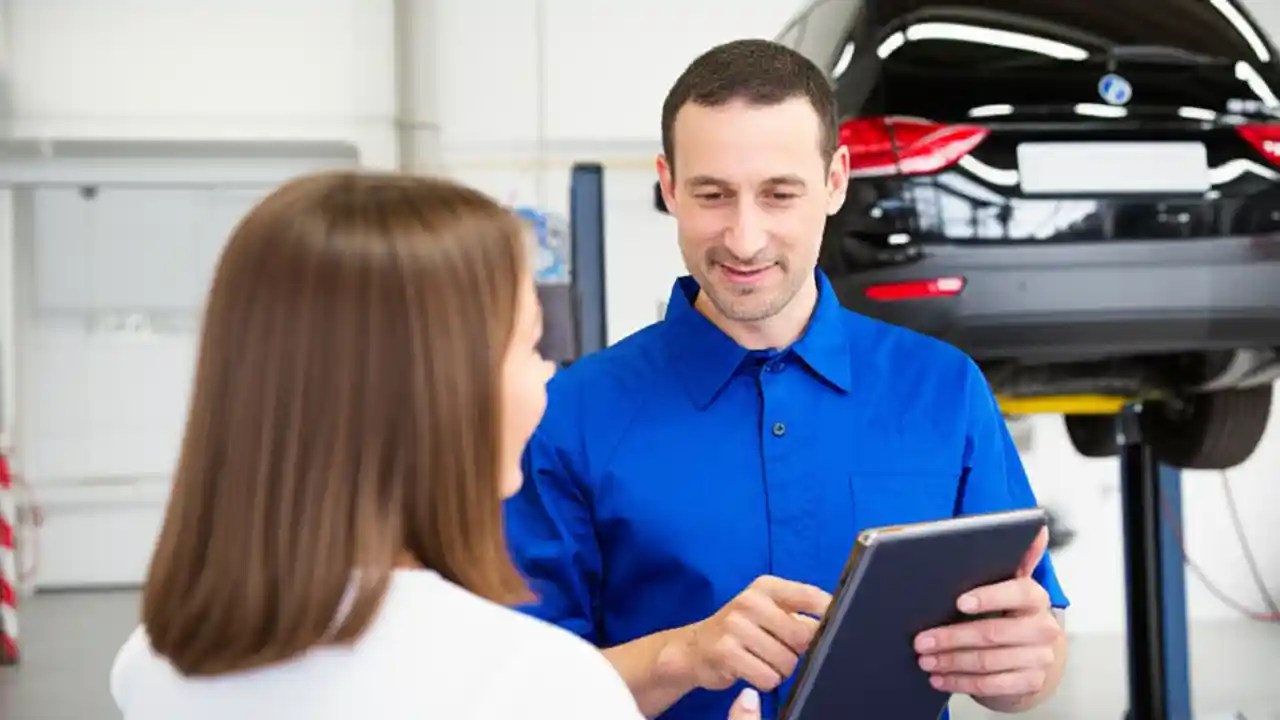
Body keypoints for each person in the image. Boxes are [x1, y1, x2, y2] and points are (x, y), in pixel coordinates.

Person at [503, 39, 1071, 720]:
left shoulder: (942, 390)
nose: (745, 238)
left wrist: (1026, 667)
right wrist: (685, 656)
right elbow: (526, 694)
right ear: (669, 185)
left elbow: (1029, 655)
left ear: (835, 181)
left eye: (778, 195)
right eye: (714, 195)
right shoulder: (568, 416)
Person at [107, 170, 763, 720]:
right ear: (441, 393)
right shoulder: (545, 687)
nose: (545, 378)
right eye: (530, 347)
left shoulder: (155, 664)